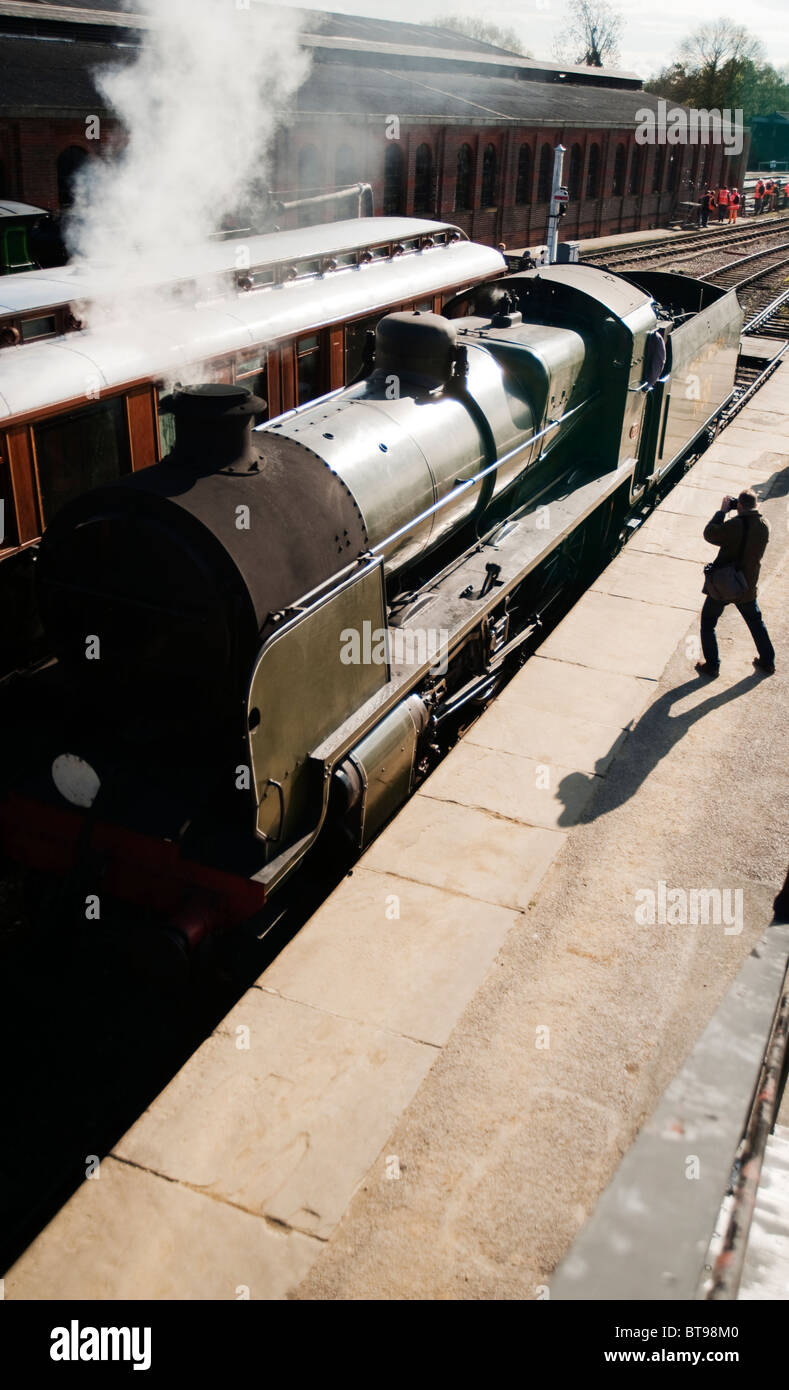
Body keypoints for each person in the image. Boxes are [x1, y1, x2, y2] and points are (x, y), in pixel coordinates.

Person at [695, 490, 775, 678]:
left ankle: (712, 665)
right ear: (755, 505)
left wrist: (722, 511)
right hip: (747, 586)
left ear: (739, 506)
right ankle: (768, 661)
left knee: (708, 623)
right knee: (756, 622)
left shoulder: (734, 525)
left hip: (724, 585)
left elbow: (710, 534)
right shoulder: (764, 525)